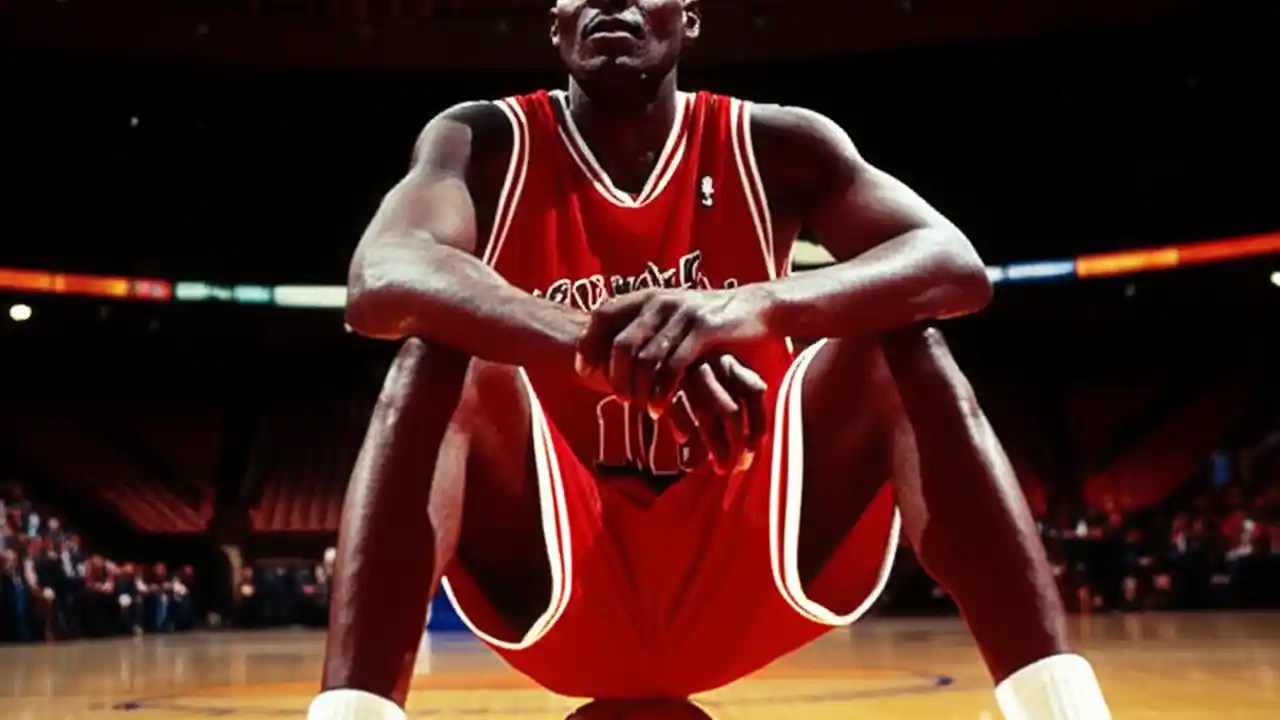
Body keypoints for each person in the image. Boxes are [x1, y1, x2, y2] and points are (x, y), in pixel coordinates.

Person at [310, 2, 1112, 719]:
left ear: (689, 18)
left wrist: (747, 305)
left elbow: (953, 265)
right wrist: (607, 348)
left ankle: (1062, 711)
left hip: (750, 552)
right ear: (555, 26)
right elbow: (381, 278)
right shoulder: (481, 139)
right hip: (557, 568)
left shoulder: (776, 141)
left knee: (898, 337)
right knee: (437, 349)